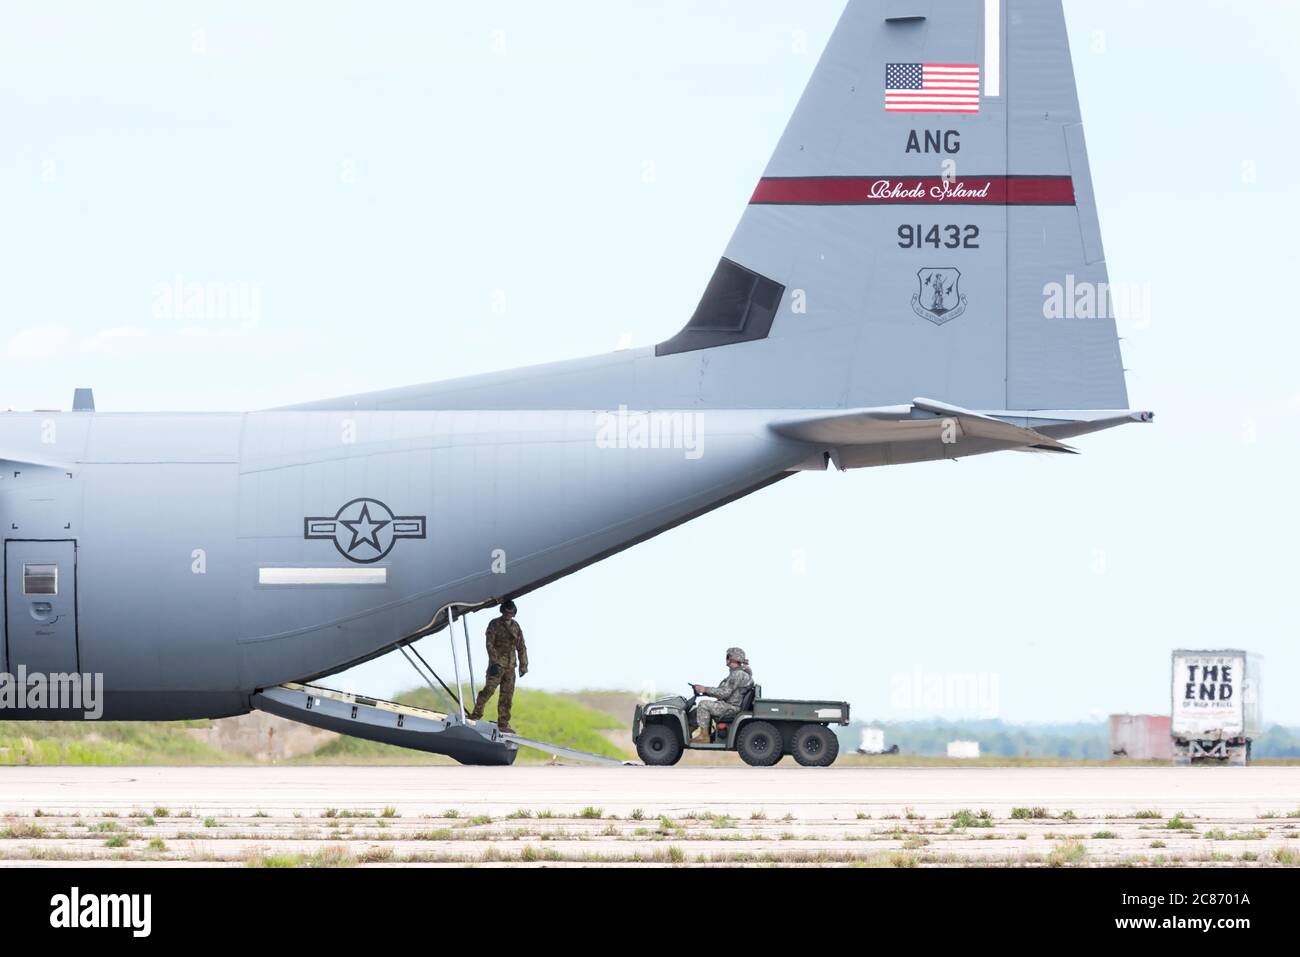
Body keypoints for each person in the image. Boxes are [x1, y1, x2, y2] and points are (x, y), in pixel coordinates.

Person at [468, 599, 528, 734]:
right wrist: (494, 662)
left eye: (511, 613)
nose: (508, 615)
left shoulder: (516, 626)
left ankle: (503, 723)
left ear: (514, 613)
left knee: (507, 696)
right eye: (506, 612)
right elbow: (489, 644)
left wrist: (523, 665)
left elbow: (521, 647)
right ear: (502, 611)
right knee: (488, 690)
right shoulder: (494, 624)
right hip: (497, 665)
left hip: (510, 666)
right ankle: (476, 715)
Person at [690, 647, 753, 744]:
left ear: (731, 658)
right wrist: (705, 691)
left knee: (703, 705)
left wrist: (705, 689)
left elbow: (724, 693)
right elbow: (723, 691)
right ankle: (688, 734)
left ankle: (704, 737)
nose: (726, 659)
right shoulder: (737, 673)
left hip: (731, 708)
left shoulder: (738, 674)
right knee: (697, 710)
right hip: (728, 705)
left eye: (727, 657)